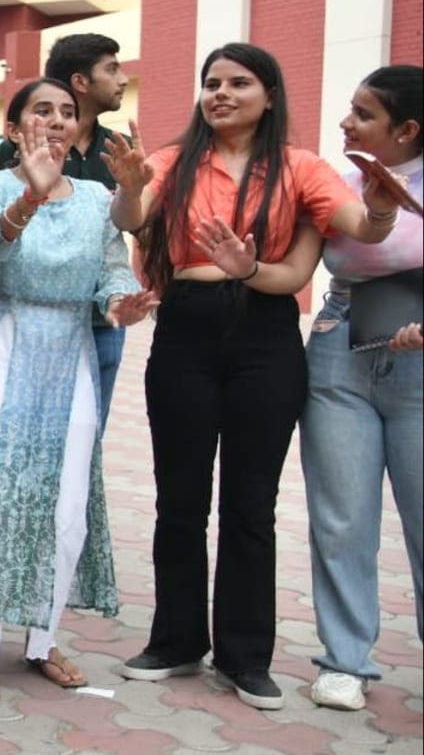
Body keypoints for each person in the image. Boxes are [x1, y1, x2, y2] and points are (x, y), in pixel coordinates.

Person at [106, 42, 399, 710]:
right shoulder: (174, 161)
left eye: (239, 83)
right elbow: (133, 217)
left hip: (265, 336)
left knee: (250, 503)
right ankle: (176, 641)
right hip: (185, 330)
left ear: (269, 95)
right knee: (179, 498)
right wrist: (128, 188)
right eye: (212, 83)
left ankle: (244, 657)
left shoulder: (299, 167)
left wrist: (380, 203)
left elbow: (363, 227)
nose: (222, 94)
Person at [0, 79, 157, 701]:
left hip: (68, 355)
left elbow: (113, 264)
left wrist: (122, 302)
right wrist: (31, 200)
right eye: (40, 111)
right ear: (14, 129)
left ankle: (41, 640)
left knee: (65, 498)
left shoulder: (98, 195)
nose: (56, 120)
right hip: (0, 345)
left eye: (66, 113)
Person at [301, 64, 423, 711]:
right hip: (339, 353)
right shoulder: (338, 182)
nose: (346, 121)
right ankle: (345, 660)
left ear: (407, 129)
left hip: (420, 367)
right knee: (342, 517)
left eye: (363, 113)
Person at [0, 32, 133, 421]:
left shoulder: (118, 148)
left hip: (102, 322)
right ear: (81, 82)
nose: (123, 79)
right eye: (112, 68)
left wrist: (135, 192)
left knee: (86, 438)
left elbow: (130, 229)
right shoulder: (17, 150)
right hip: (29, 323)